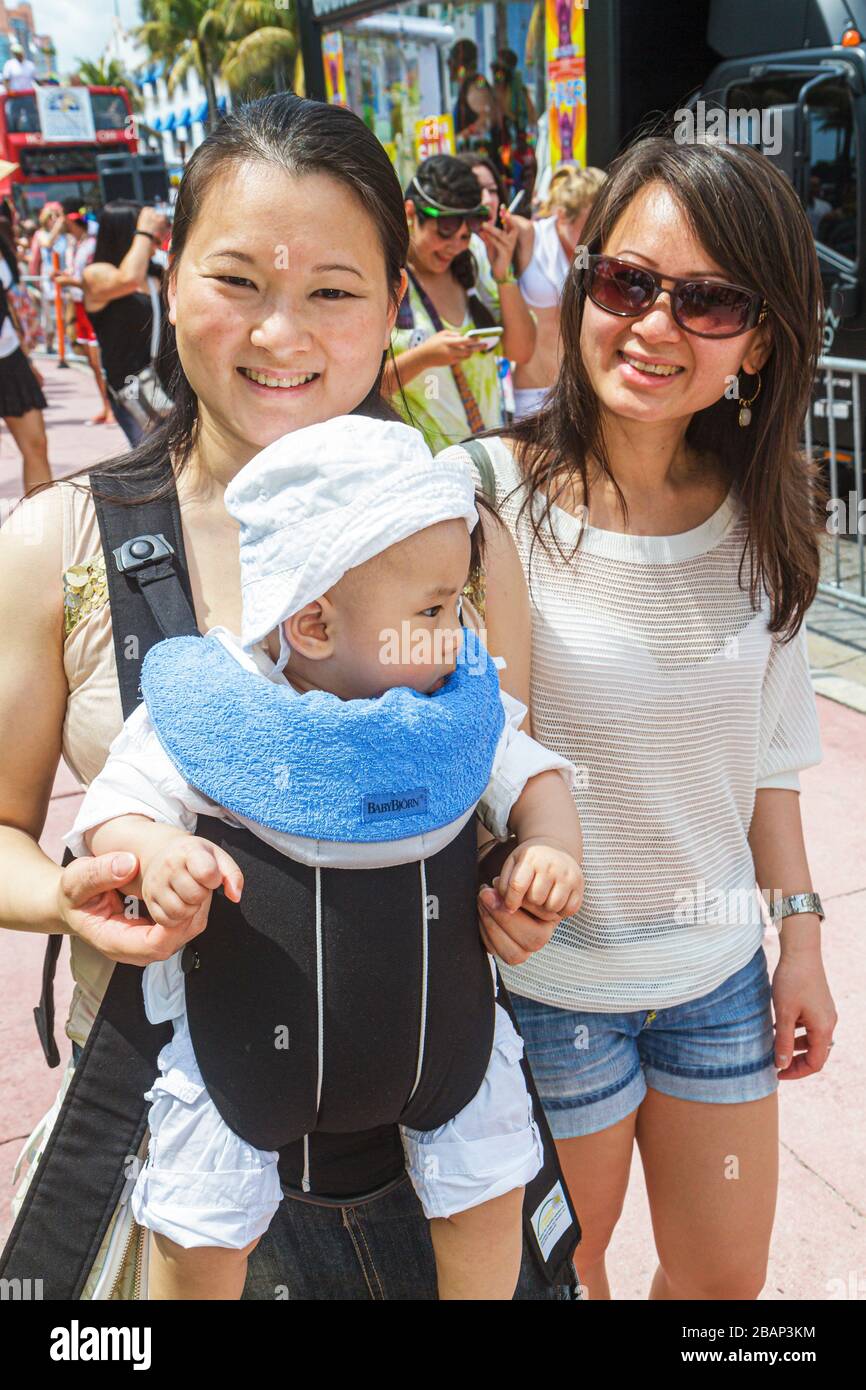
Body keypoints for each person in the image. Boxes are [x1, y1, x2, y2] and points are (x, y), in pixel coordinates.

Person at [0, 91, 575, 1302]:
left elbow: (500, 772)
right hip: (182, 1154)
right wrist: (69, 892)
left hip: (435, 1145)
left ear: (391, 302)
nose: (281, 332)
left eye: (332, 288)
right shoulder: (60, 542)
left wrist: (522, 882)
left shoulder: (460, 539)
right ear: (169, 281)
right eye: (237, 279)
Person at [437, 134, 837, 1300]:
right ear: (583, 284)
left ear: (757, 339)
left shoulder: (768, 520)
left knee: (723, 1289)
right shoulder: (479, 497)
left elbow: (768, 764)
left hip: (714, 981)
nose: (654, 326)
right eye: (625, 282)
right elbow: (440, 741)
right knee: (571, 1281)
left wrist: (798, 942)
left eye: (707, 301)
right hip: (545, 994)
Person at [65, 414, 584, 1300]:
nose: (455, 634)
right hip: (245, 1061)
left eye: (458, 603)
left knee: (491, 1187)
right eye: (430, 611)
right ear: (311, 620)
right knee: (196, 1224)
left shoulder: (451, 710)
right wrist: (151, 852)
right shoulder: (217, 714)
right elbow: (114, 809)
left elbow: (536, 775)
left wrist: (550, 849)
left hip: (443, 1051)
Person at [383, 155, 535, 455]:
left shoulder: (473, 262)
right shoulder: (385, 277)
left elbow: (521, 351)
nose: (455, 246)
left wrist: (505, 274)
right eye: (444, 231)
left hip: (487, 463)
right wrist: (423, 357)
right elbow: (362, 390)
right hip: (426, 471)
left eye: (466, 234)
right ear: (410, 214)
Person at [511, 164, 606, 419]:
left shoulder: (601, 252)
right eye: (589, 225)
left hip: (579, 392)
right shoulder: (528, 236)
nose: (596, 233)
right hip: (530, 393)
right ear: (562, 216)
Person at [82, 200, 172, 446]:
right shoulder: (96, 274)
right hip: (132, 388)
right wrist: (144, 230)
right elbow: (128, 279)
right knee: (153, 465)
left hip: (169, 382)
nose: (154, 241)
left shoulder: (155, 274)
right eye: (147, 234)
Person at [0, 211, 50, 490]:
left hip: (10, 357)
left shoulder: (3, 246)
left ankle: (40, 525)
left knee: (37, 444)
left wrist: (27, 359)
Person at [52, 201, 112, 425]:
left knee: (100, 362)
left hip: (94, 305)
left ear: (68, 219)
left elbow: (95, 281)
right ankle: (106, 406)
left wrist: (70, 281)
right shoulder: (73, 243)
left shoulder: (93, 243)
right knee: (92, 361)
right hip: (79, 305)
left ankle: (114, 407)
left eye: (61, 218)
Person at [28, 201, 65, 354]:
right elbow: (45, 245)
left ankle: (66, 346)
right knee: (49, 316)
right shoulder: (40, 234)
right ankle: (51, 345)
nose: (55, 219)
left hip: (64, 279)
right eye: (52, 216)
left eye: (57, 216)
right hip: (48, 281)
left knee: (64, 314)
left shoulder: (65, 235)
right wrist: (34, 282)